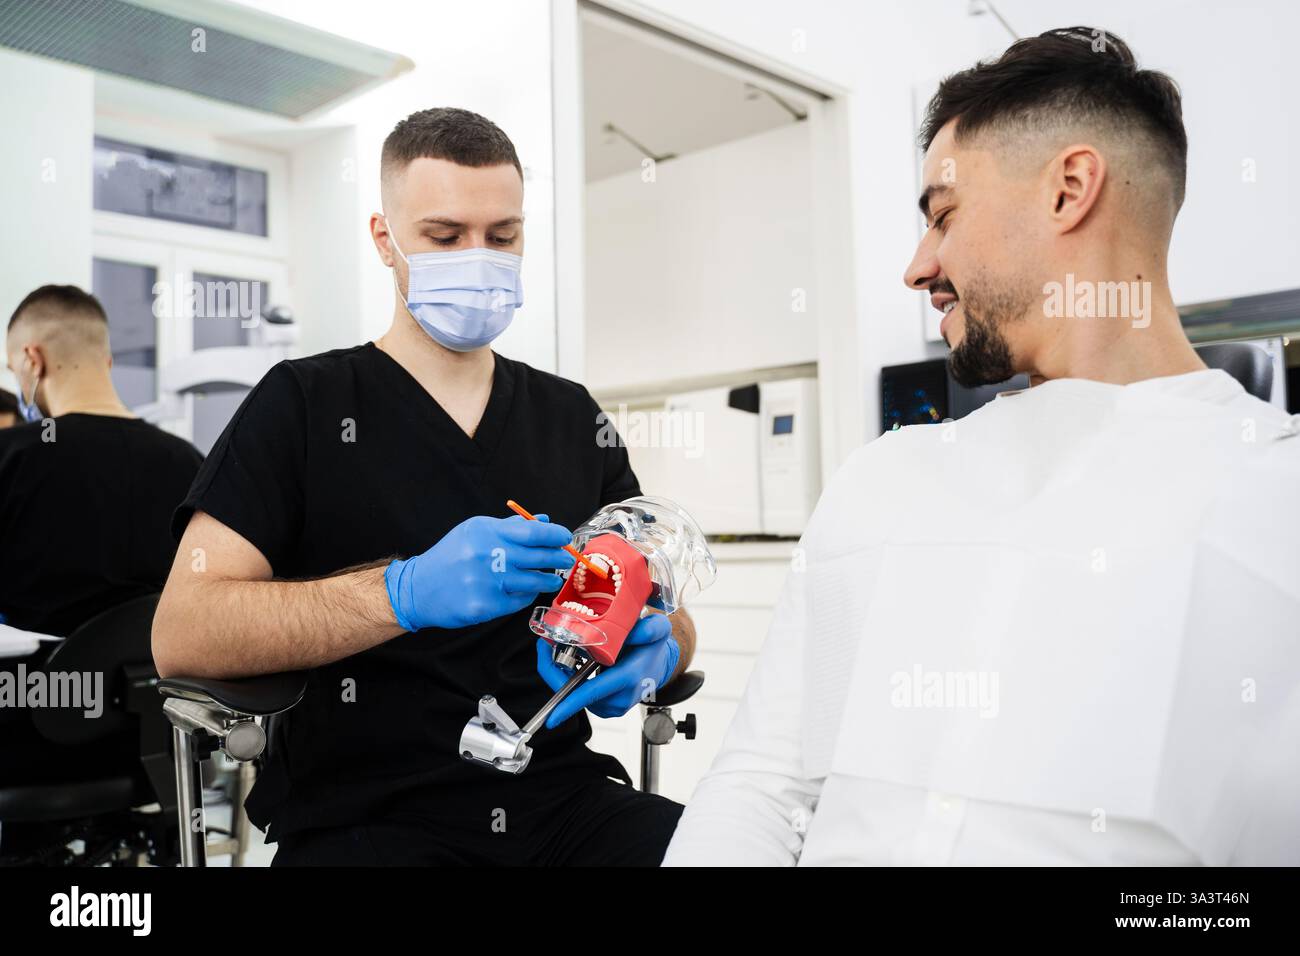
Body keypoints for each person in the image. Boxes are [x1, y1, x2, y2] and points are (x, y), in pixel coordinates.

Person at [664, 27, 1300, 866]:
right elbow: (761, 785)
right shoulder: (883, 478)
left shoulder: (1273, 497)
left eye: (943, 215)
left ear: (1069, 190)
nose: (918, 266)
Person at [153, 107, 696, 866]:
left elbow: (666, 608)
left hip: (562, 798)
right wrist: (399, 595)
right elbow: (184, 631)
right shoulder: (303, 404)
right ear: (386, 239)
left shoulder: (570, 416)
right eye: (445, 237)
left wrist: (657, 649)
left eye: (501, 236)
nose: (478, 257)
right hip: (369, 816)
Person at [0, 285, 202, 798]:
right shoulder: (190, 463)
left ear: (31, 358)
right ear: (105, 361)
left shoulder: (12, 457)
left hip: (23, 734)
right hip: (164, 736)